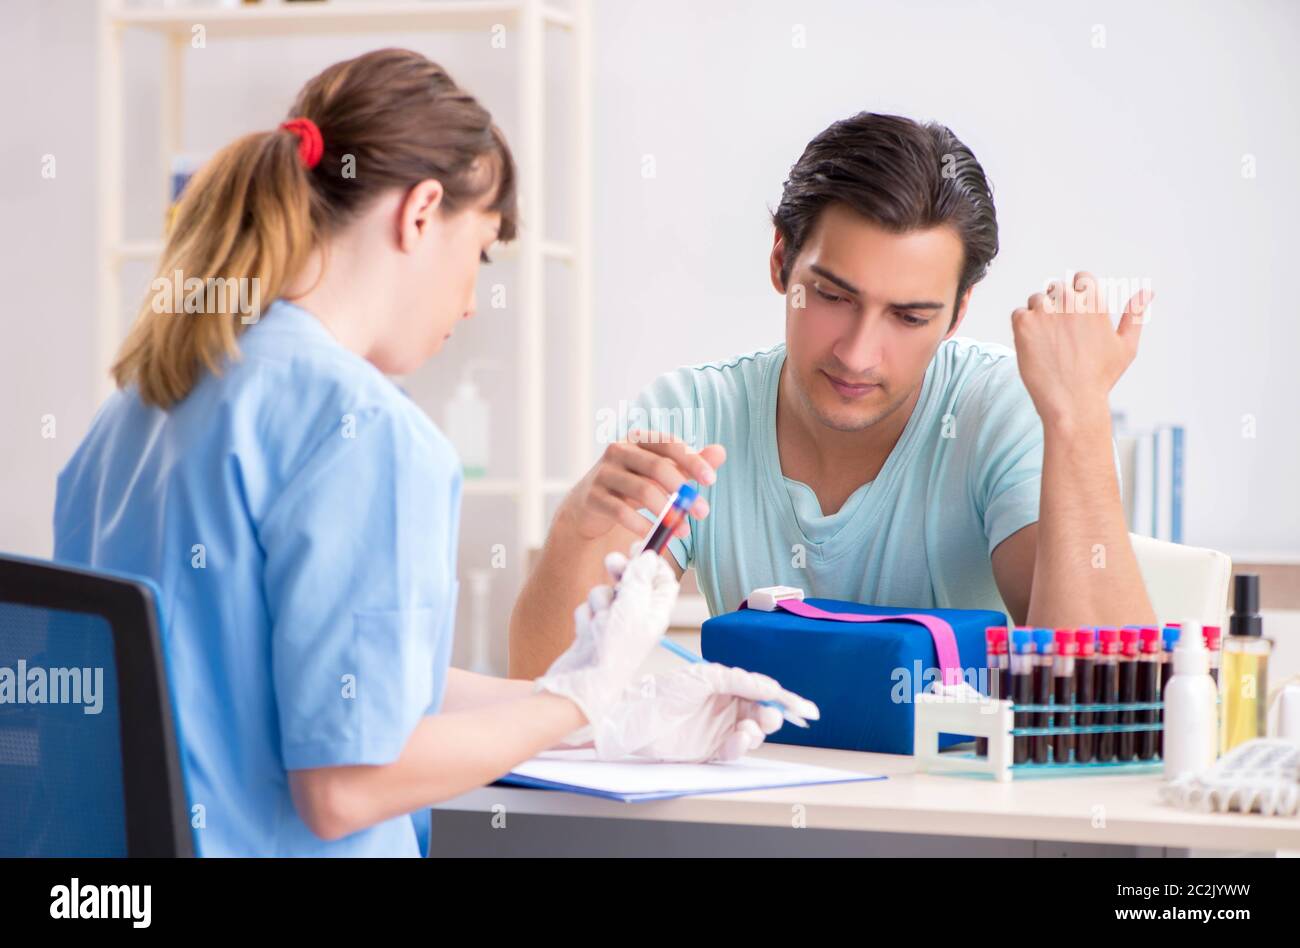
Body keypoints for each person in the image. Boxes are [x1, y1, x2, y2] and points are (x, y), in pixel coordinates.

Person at [54, 49, 815, 857]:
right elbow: (345, 784)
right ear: (420, 212)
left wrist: (586, 705)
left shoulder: (141, 404)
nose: (468, 301)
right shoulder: (364, 430)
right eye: (480, 252)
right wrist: (575, 704)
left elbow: (345, 690)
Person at [510, 111, 1157, 679]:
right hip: (752, 806)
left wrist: (1078, 415)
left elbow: (1099, 690)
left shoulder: (996, 411)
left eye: (908, 318)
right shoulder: (693, 415)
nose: (856, 353)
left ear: (957, 314)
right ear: (780, 261)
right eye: (832, 297)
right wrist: (575, 526)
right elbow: (548, 687)